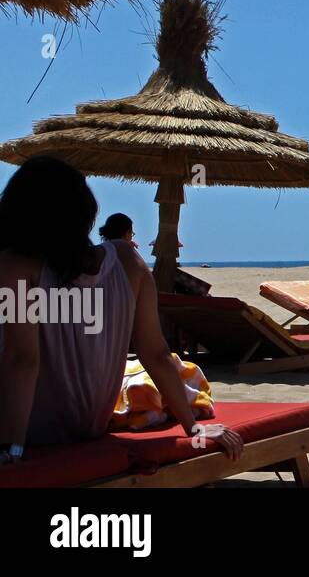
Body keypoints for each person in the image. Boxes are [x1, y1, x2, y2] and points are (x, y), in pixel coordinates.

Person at [0, 155, 243, 462]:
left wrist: (11, 451)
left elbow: (22, 359)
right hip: (90, 424)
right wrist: (193, 428)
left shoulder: (16, 266)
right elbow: (155, 353)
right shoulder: (128, 261)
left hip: (32, 431)